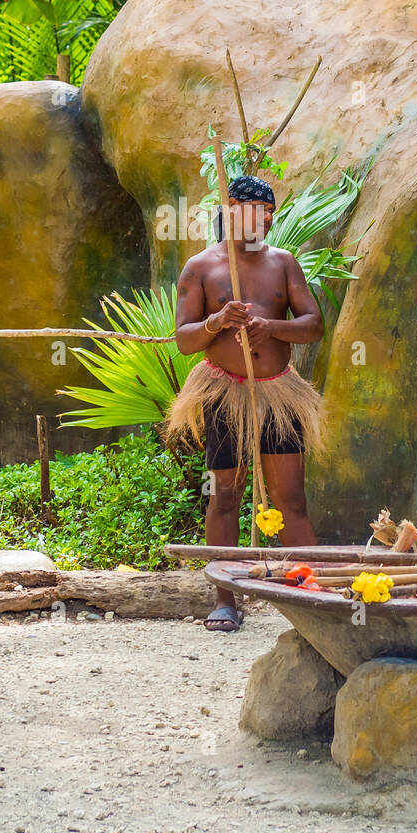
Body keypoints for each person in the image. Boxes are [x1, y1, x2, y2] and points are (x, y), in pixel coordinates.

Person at [166, 174, 325, 632]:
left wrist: (272, 328)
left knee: (291, 498)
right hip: (223, 390)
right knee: (225, 496)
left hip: (278, 391)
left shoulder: (283, 263)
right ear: (234, 208)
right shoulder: (201, 267)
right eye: (261, 212)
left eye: (273, 213)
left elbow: (313, 325)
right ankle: (226, 600)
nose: (269, 221)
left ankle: (310, 596)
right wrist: (217, 321)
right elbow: (184, 340)